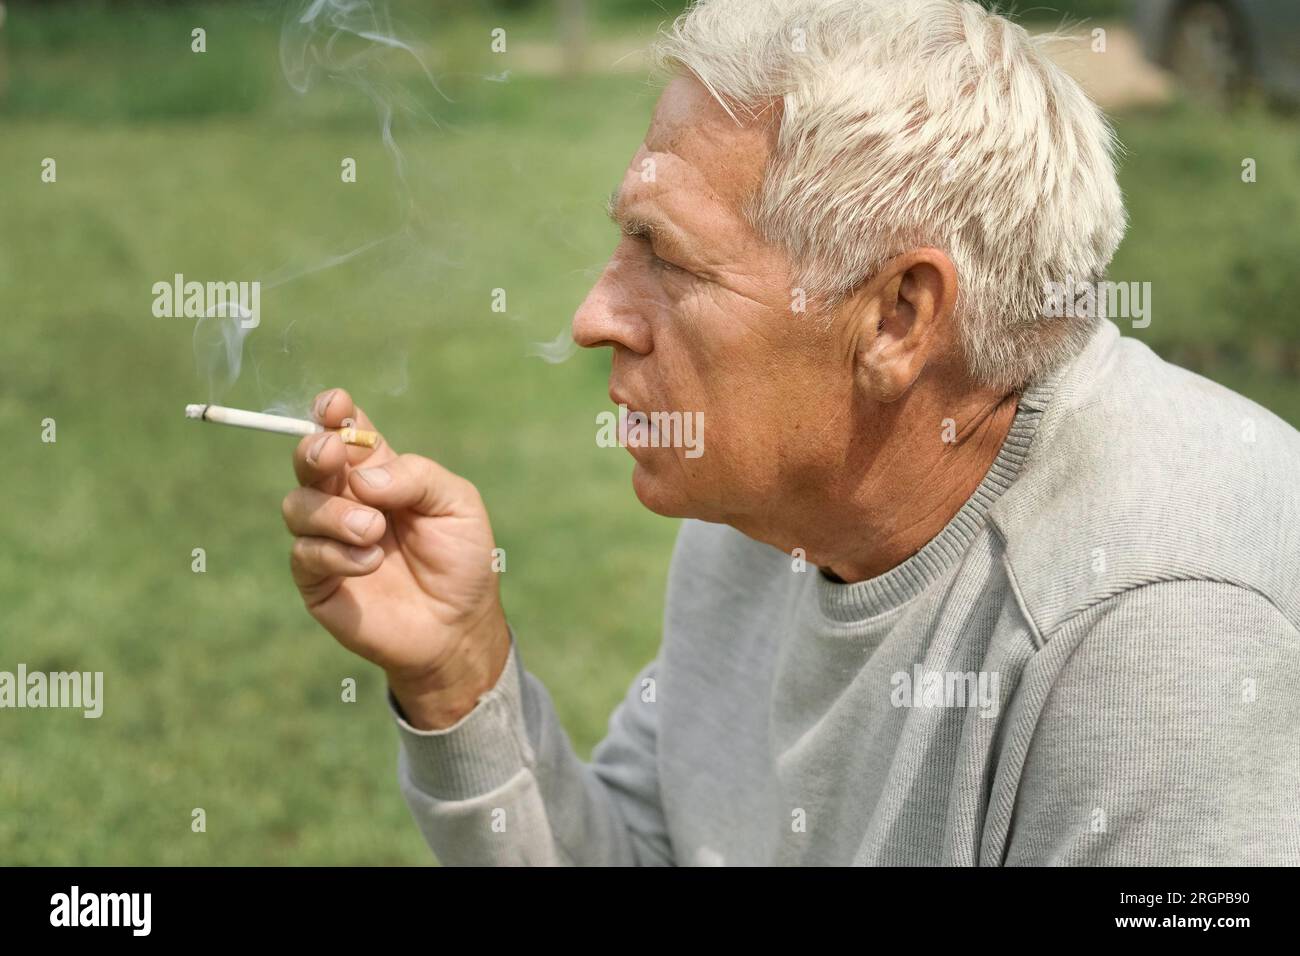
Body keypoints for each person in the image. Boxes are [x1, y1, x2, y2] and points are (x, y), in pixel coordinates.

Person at [278, 0, 1300, 864]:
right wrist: (459, 671)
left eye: (668, 258)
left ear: (897, 315)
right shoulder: (773, 505)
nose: (597, 315)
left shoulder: (1158, 629)